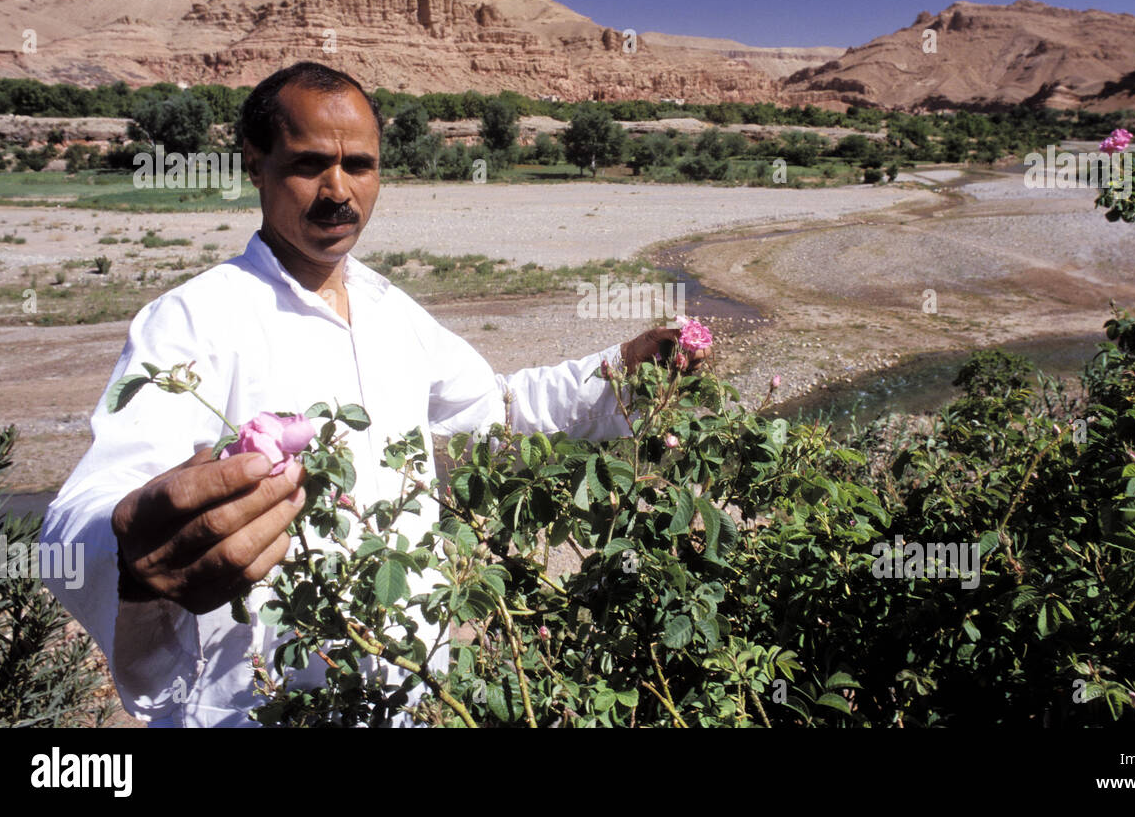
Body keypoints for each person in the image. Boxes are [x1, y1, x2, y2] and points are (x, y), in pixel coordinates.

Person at [40, 62, 709, 727]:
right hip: (256, 711)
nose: (338, 191)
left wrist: (623, 366)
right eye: (308, 164)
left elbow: (499, 406)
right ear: (254, 163)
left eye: (359, 165)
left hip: (410, 699)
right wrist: (130, 556)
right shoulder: (193, 319)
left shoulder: (392, 309)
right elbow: (76, 518)